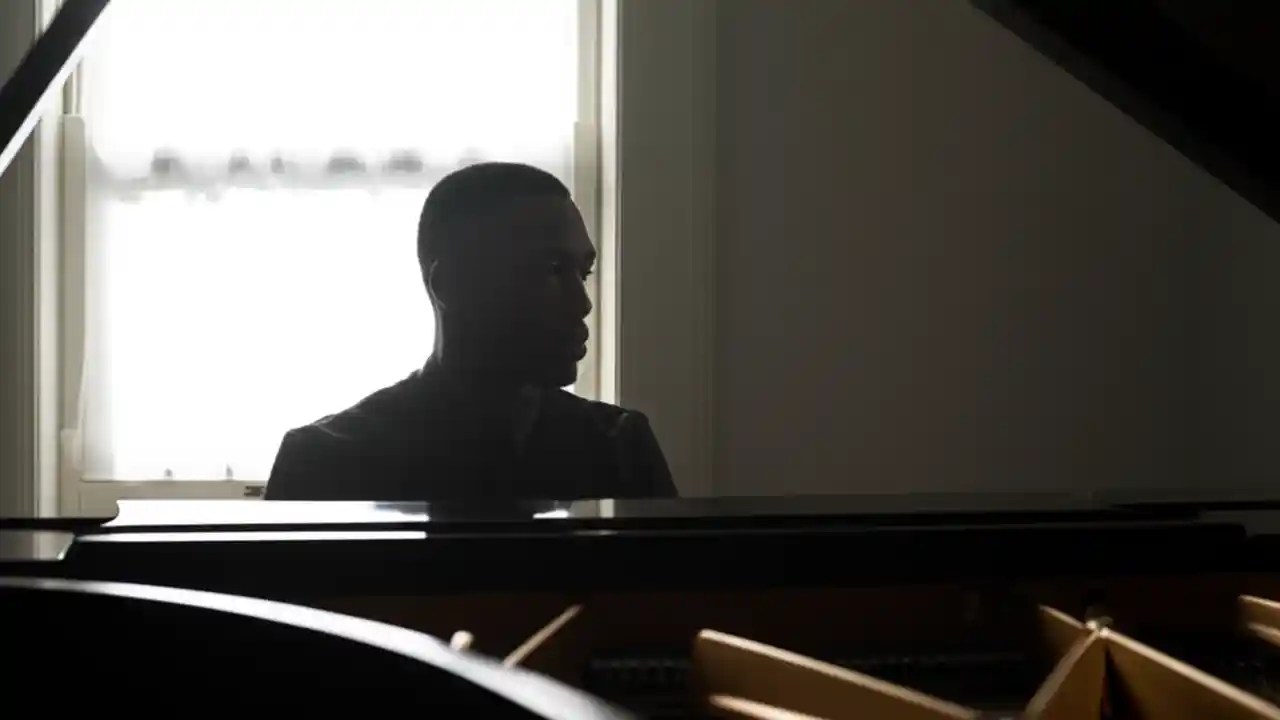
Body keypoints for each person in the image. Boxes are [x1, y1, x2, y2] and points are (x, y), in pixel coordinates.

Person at [264, 162, 677, 501]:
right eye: (551, 270)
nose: (582, 303)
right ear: (450, 285)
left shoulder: (620, 448)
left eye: (583, 273)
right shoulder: (326, 461)